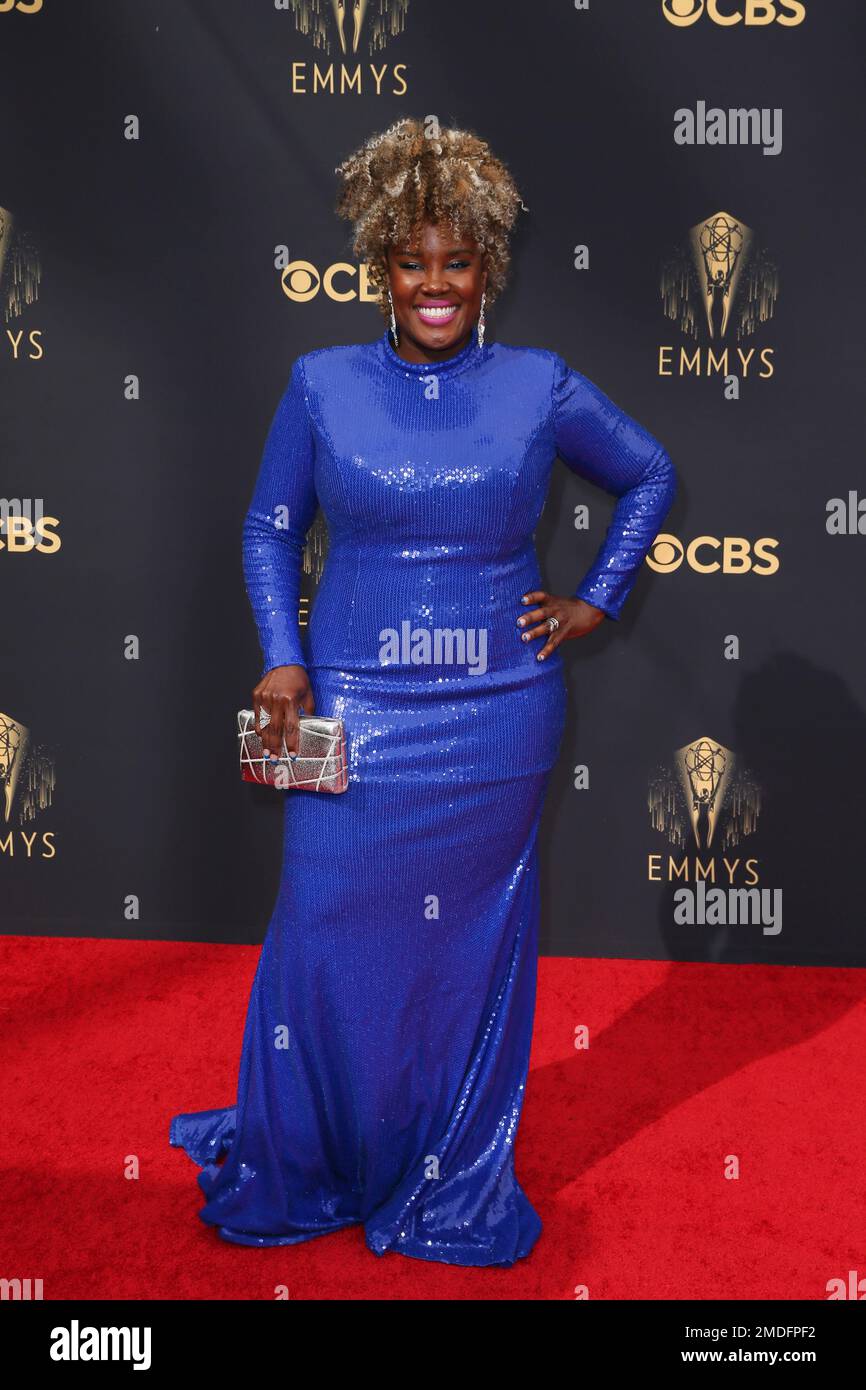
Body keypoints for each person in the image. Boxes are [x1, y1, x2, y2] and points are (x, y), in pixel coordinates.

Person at [169, 117, 677, 1267]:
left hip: (498, 714)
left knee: (468, 956)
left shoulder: (539, 384)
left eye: (456, 261)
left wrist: (593, 593)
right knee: (323, 935)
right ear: (380, 270)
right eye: (413, 261)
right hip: (352, 710)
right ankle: (314, 1158)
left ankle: (443, 1167)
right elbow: (267, 524)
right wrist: (282, 653)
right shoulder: (320, 383)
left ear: (486, 269)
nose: (435, 284)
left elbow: (646, 471)